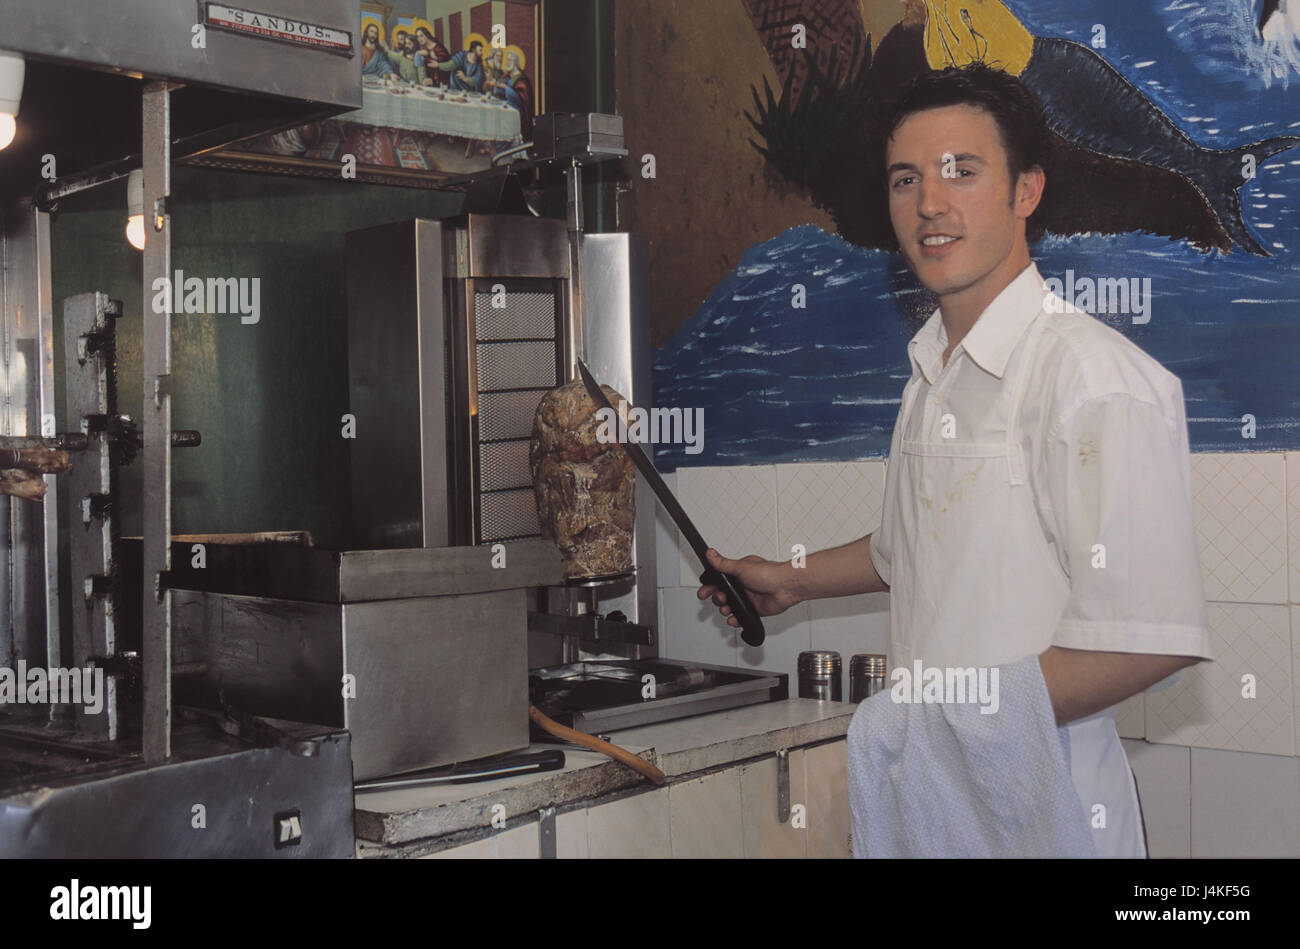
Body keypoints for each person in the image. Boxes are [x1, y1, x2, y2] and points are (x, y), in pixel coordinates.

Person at [698, 64, 1212, 858]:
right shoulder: (931, 372)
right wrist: (792, 579)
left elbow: (1150, 637)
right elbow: (909, 550)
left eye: (960, 172)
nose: (929, 203)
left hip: (1050, 820)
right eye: (906, 179)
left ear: (1026, 190)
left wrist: (949, 712)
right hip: (938, 815)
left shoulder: (1094, 379)